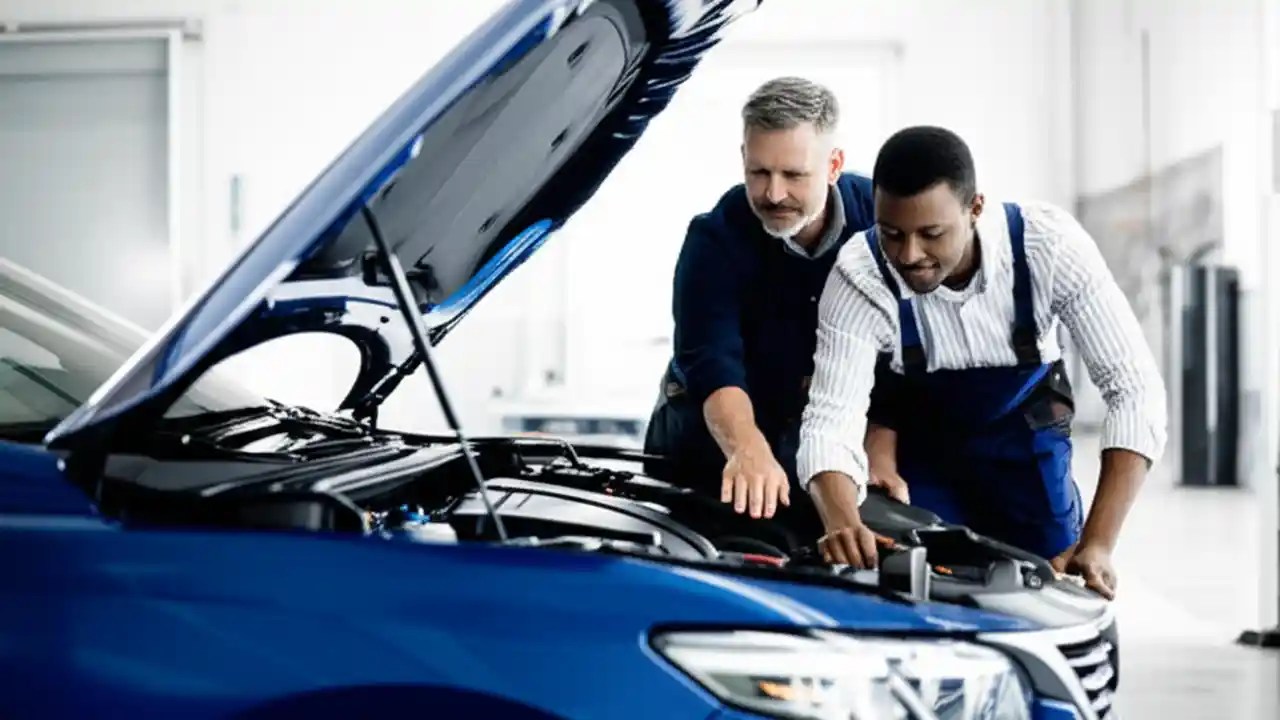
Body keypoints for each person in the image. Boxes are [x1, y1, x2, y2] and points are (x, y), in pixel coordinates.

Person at [796, 125, 1167, 599]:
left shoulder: (1047, 246)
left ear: (975, 208)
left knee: (1051, 590)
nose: (909, 255)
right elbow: (830, 418)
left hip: (1027, 449)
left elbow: (1133, 389)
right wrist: (842, 524)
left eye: (931, 234)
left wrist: (1098, 545)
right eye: (892, 233)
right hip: (925, 459)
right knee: (921, 591)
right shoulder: (860, 273)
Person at [642, 76, 874, 542]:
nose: (773, 194)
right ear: (743, 158)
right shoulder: (714, 239)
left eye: (793, 175)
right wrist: (746, 447)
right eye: (759, 172)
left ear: (834, 165)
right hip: (708, 440)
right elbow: (713, 362)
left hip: (821, 439)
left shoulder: (881, 223)